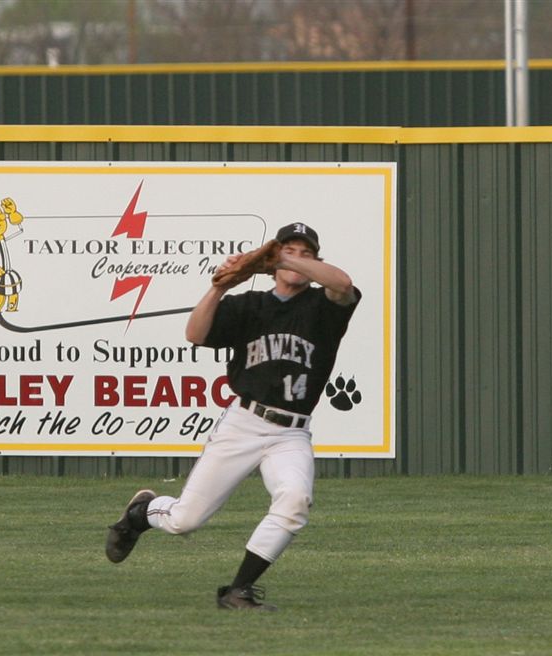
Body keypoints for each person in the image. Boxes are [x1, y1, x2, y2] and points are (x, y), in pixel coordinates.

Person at [104, 221, 361, 611]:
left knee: (294, 501)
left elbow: (342, 283)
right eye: (288, 251)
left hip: (291, 433)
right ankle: (142, 513)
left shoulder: (324, 307)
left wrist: (283, 256)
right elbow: (195, 333)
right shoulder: (249, 306)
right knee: (184, 521)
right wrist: (220, 286)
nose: (295, 259)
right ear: (271, 265)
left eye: (306, 253)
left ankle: (238, 590)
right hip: (244, 423)